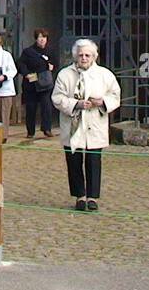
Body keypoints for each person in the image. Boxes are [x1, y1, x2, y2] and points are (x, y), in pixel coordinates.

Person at [51, 39, 121, 212]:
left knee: (93, 160)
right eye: (81, 55)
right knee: (73, 161)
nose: (84, 58)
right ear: (75, 56)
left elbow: (115, 95)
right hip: (72, 124)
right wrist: (76, 104)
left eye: (87, 55)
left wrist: (101, 102)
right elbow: (57, 98)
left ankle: (92, 197)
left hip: (95, 124)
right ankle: (79, 196)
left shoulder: (105, 74)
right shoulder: (65, 74)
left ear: (94, 56)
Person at [17, 29, 57, 139]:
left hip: (45, 83)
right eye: (40, 37)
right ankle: (30, 131)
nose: (42, 39)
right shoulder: (28, 51)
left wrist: (52, 67)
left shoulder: (51, 51)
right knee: (31, 107)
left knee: (47, 106)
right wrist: (26, 74)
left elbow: (56, 64)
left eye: (44, 37)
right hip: (31, 83)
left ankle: (47, 129)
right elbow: (20, 64)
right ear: (36, 39)